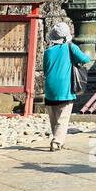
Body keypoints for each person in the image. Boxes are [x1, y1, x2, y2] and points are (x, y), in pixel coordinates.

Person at [41, 22, 90, 151]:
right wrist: (88, 55)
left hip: (50, 88)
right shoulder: (70, 47)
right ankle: (57, 141)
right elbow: (85, 59)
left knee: (54, 116)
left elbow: (45, 70)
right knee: (63, 117)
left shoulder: (48, 51)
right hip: (65, 88)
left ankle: (57, 139)